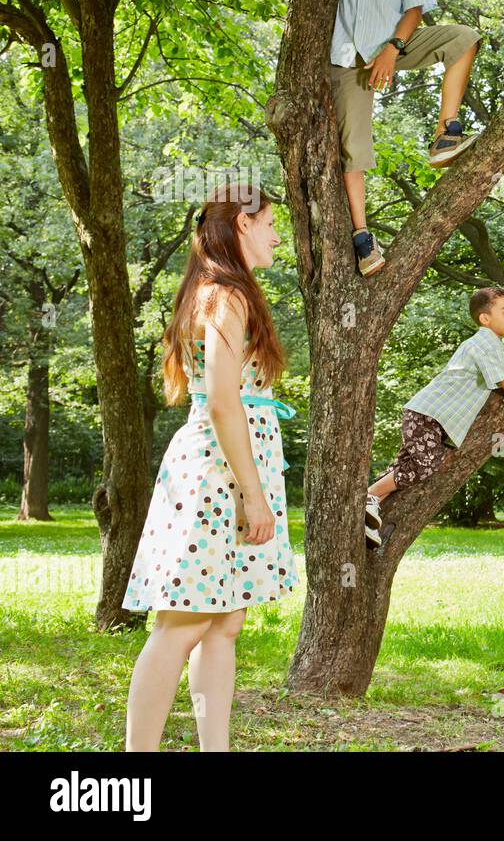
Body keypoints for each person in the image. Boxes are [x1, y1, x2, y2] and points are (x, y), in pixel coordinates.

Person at [123, 183, 297, 751]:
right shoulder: (225, 295)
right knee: (182, 624)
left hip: (232, 471)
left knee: (223, 623)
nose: (276, 234)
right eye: (271, 222)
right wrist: (253, 493)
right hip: (218, 475)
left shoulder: (223, 291)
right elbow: (224, 400)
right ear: (243, 223)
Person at [275, 0, 483, 276]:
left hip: (395, 42)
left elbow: (414, 9)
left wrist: (392, 49)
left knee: (463, 38)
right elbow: (303, 6)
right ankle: (363, 239)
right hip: (348, 60)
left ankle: (446, 133)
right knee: (353, 149)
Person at [364, 286, 504, 545]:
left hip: (427, 416)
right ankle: (370, 496)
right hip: (426, 415)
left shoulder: (488, 344)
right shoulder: (485, 343)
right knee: (425, 466)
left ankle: (368, 519)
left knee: (406, 467)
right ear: (485, 319)